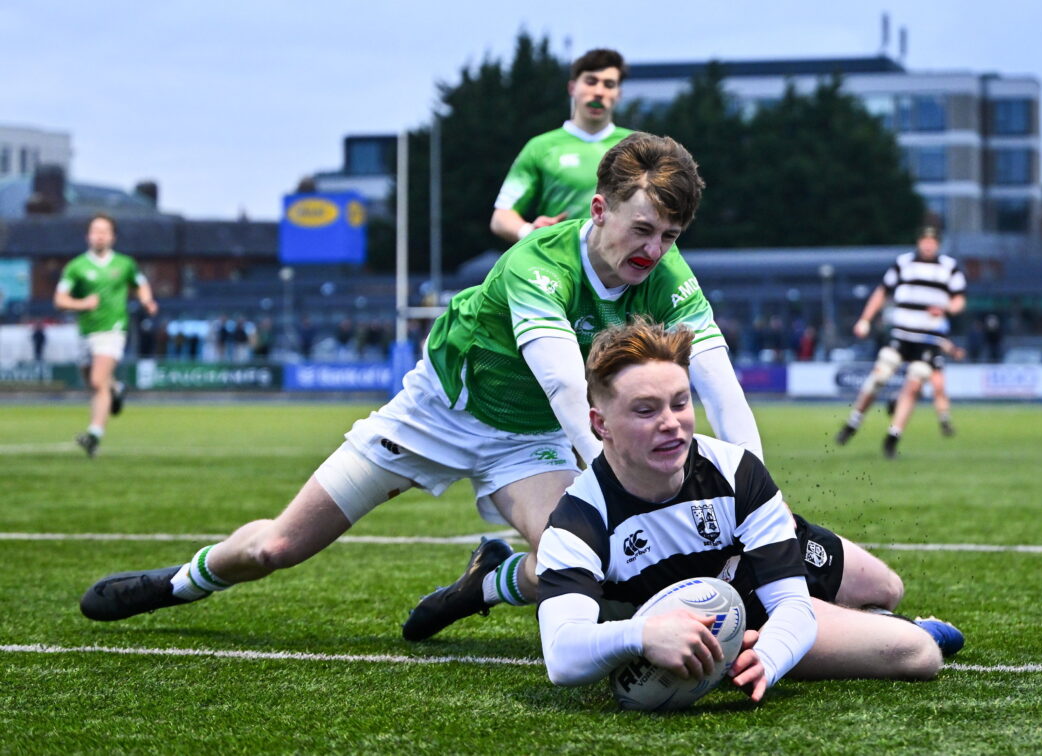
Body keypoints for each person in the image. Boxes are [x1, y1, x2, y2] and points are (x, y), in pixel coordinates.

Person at [78, 134, 762, 646]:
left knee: (587, 559)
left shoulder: (669, 276)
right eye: (642, 229)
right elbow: (562, 384)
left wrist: (759, 501)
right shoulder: (536, 264)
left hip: (526, 442)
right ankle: (178, 584)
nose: (652, 251)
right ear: (598, 207)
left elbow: (721, 386)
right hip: (438, 414)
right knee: (275, 549)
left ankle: (486, 582)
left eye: (669, 236)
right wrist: (617, 492)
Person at [537, 318, 963, 702]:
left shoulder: (735, 470)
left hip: (756, 563)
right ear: (600, 424)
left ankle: (867, 619)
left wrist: (771, 657)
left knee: (886, 587)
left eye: (680, 403)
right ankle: (897, 628)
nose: (670, 423)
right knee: (918, 653)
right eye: (645, 410)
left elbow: (792, 606)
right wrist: (645, 634)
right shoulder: (579, 520)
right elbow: (562, 655)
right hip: (737, 612)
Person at [835, 226, 966, 458]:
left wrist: (945, 308)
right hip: (902, 333)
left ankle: (892, 437)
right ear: (918, 241)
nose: (928, 245)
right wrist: (865, 319)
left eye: (932, 241)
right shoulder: (903, 263)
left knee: (914, 385)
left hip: (929, 338)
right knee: (879, 376)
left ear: (938, 244)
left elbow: (959, 301)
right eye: (924, 240)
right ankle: (853, 422)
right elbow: (881, 292)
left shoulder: (949, 267)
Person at [490, 48, 632, 244]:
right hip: (560, 265)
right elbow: (501, 217)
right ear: (572, 88)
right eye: (591, 82)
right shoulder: (540, 147)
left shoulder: (637, 146)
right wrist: (529, 231)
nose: (599, 92)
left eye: (609, 85)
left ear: (618, 94)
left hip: (622, 267)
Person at [53, 214, 158, 457]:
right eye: (95, 231)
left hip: (113, 330)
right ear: (88, 236)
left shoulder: (124, 264)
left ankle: (94, 435)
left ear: (112, 236)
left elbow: (140, 284)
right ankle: (117, 388)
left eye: (104, 231)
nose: (99, 235)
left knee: (97, 382)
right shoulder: (76, 267)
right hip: (85, 332)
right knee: (90, 378)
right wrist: (82, 304)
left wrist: (147, 300)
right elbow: (59, 300)